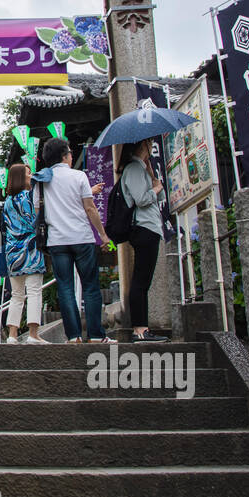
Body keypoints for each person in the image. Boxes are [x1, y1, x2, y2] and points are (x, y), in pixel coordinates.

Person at [34, 137, 115, 344]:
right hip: (81, 237)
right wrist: (103, 236)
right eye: (70, 153)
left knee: (65, 288)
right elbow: (90, 208)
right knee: (90, 287)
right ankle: (96, 335)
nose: (71, 156)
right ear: (64, 156)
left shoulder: (41, 181)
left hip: (57, 240)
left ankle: (73, 336)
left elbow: (37, 211)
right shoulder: (79, 176)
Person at [119, 138, 170, 342]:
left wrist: (152, 177)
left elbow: (157, 195)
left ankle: (141, 328)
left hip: (149, 227)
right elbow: (141, 199)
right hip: (143, 227)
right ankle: (140, 329)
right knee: (141, 280)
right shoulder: (133, 168)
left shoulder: (141, 169)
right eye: (149, 143)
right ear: (142, 146)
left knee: (143, 279)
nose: (151, 147)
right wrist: (155, 189)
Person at [1, 162, 49, 344]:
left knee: (17, 294)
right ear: (22, 177)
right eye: (28, 173)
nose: (31, 176)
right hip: (30, 249)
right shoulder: (29, 197)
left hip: (12, 252)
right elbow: (35, 220)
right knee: (35, 291)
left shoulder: (7, 202)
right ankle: (33, 333)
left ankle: (12, 335)